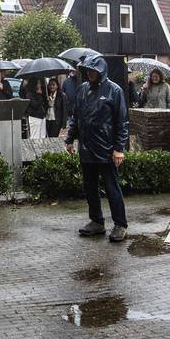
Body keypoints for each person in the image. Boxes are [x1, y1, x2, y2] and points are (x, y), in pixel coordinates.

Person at [66, 54, 130, 243]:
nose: (90, 73)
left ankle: (120, 224)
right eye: (88, 70)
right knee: (90, 187)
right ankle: (97, 221)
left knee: (112, 188)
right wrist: (70, 139)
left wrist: (119, 148)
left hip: (106, 149)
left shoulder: (114, 91)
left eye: (94, 70)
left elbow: (122, 122)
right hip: (86, 149)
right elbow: (75, 117)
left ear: (101, 71)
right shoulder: (83, 90)